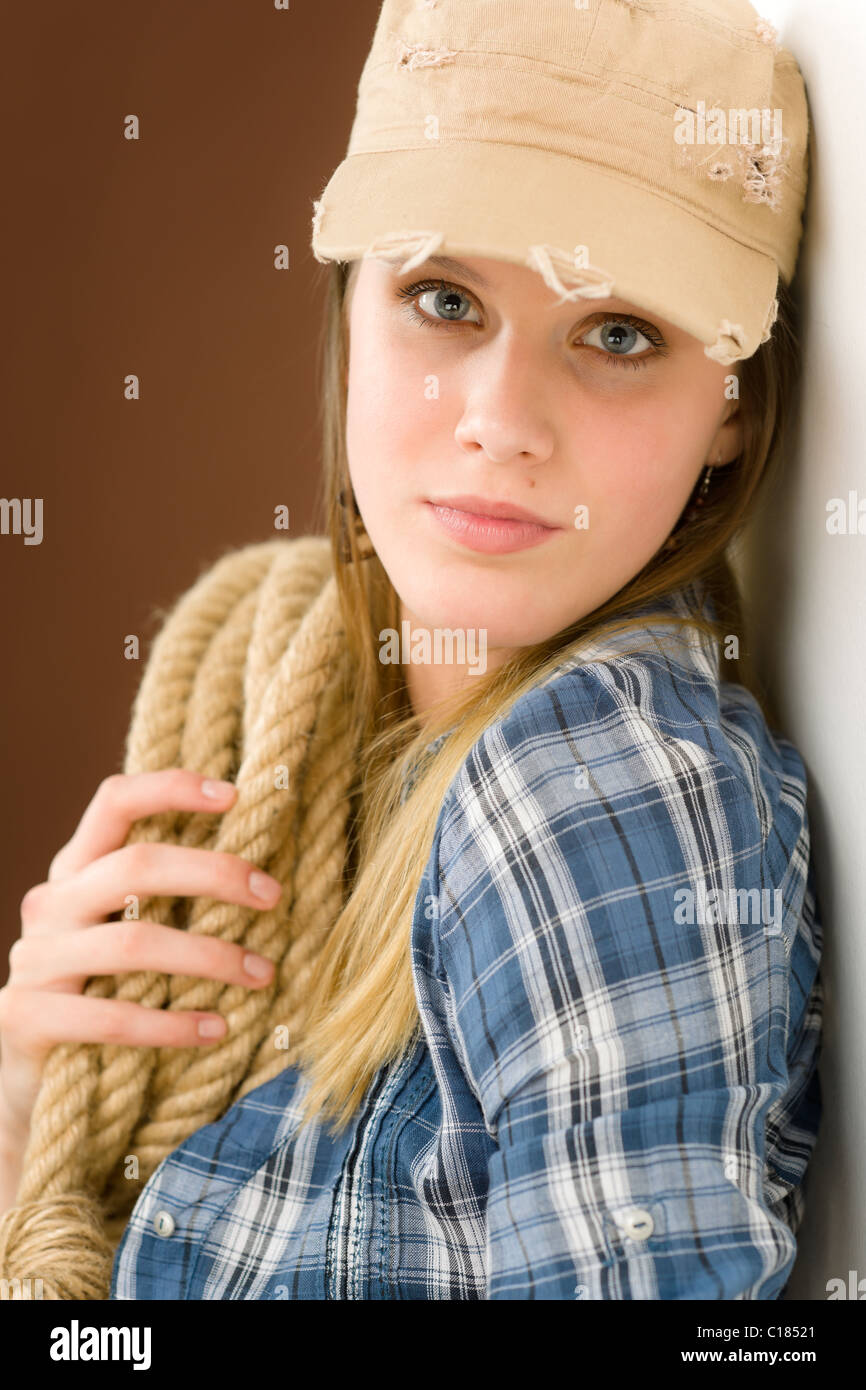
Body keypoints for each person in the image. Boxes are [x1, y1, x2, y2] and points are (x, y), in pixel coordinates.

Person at [0, 0, 823, 1300]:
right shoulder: (335, 727)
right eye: (444, 299)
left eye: (617, 334)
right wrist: (30, 1120)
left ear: (732, 409)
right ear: (349, 318)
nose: (500, 421)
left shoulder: (592, 783)